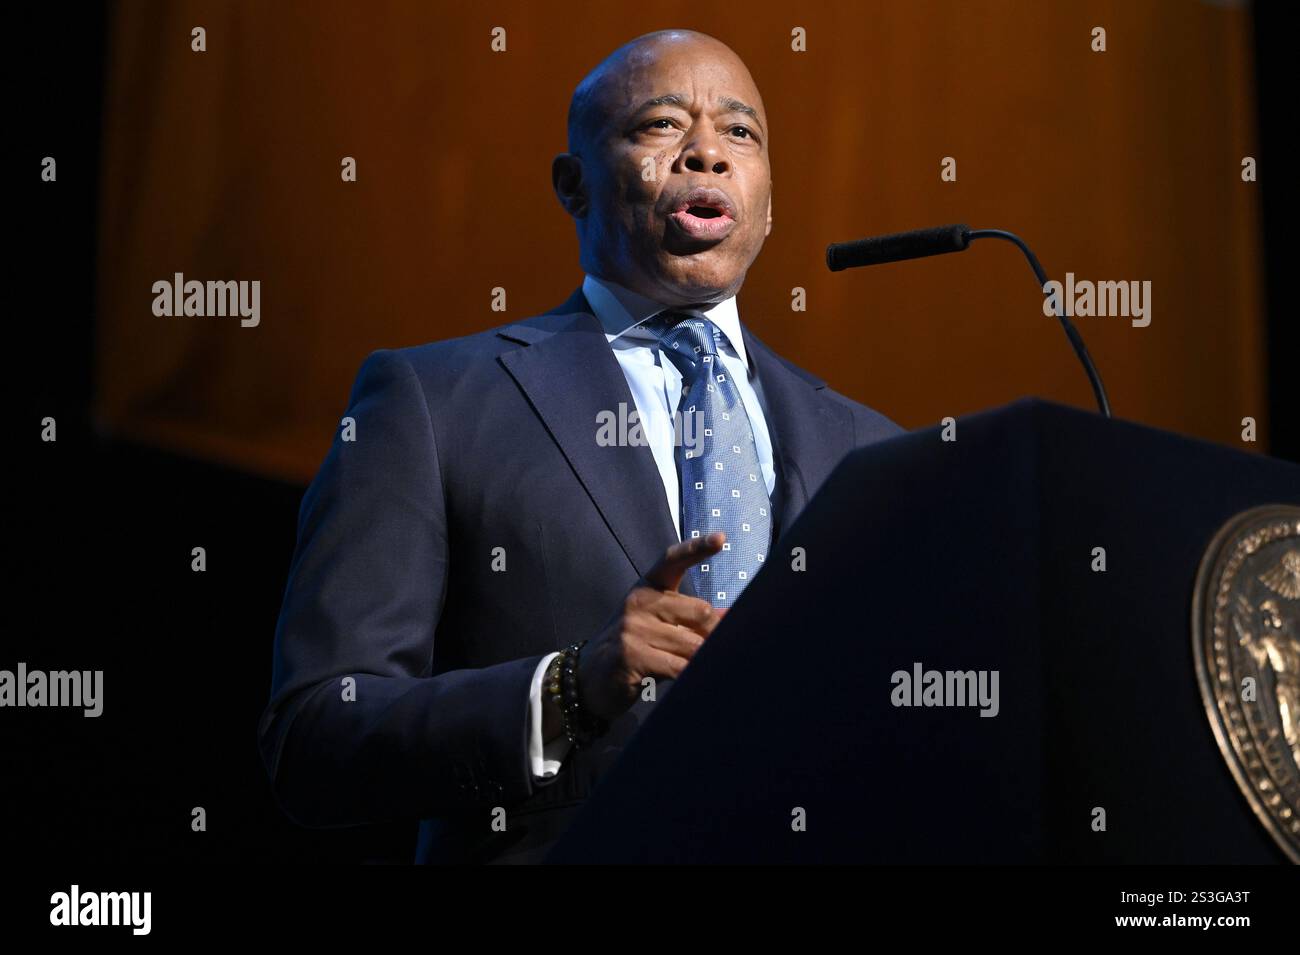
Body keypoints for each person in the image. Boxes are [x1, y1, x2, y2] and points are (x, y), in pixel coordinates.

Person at [258, 28, 902, 863]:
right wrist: (567, 688)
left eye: (740, 133)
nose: (707, 152)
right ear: (574, 186)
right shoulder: (431, 403)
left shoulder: (872, 449)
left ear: (770, 201)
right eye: (662, 125)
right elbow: (315, 736)